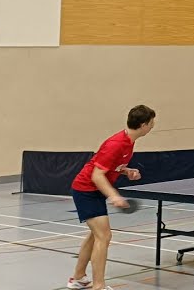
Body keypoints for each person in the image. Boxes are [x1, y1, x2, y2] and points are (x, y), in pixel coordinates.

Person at [67, 104, 156, 290]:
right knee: (104, 236)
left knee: (96, 235)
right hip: (86, 190)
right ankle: (98, 285)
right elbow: (97, 175)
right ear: (143, 125)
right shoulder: (116, 144)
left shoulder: (128, 141)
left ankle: (78, 278)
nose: (153, 125)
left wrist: (126, 171)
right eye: (151, 122)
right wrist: (114, 196)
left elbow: (109, 166)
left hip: (94, 191)